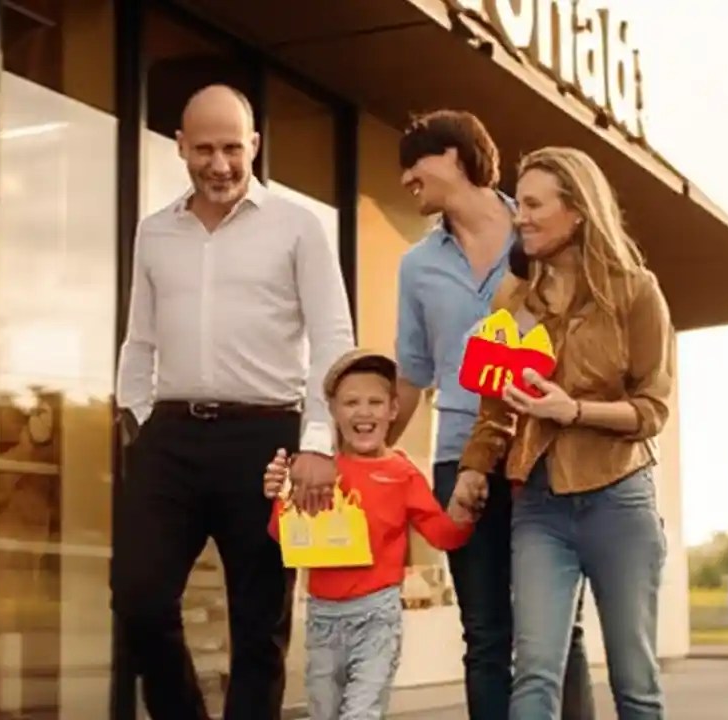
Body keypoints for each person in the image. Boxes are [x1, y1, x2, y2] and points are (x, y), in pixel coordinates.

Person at [111, 83, 354, 720]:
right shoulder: (155, 232)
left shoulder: (297, 226)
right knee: (138, 599)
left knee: (258, 625)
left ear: (254, 145)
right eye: (205, 149)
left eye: (231, 148)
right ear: (181, 148)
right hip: (170, 436)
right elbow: (141, 337)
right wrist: (137, 417)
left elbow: (333, 338)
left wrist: (317, 444)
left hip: (266, 439)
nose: (219, 164)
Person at [452, 146, 674, 720]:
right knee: (534, 676)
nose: (519, 216)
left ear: (576, 211)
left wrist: (572, 409)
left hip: (619, 501)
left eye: (532, 204)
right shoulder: (514, 300)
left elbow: (651, 410)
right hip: (540, 505)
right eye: (518, 203)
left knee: (635, 681)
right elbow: (494, 405)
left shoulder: (635, 290)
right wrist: (475, 468)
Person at [389, 110, 595, 720]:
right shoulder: (416, 266)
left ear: (454, 157)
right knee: (485, 638)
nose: (405, 180)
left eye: (414, 164)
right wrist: (365, 455)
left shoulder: (544, 231)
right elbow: (413, 373)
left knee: (560, 635)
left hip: (547, 452)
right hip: (461, 456)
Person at [262, 348, 475, 719]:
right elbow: (283, 536)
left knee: (361, 713)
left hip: (377, 615)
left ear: (393, 409)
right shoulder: (315, 469)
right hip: (322, 617)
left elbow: (443, 536)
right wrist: (278, 494)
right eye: (351, 402)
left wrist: (463, 512)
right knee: (323, 712)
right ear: (332, 409)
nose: (364, 412)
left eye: (375, 402)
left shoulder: (402, 473)